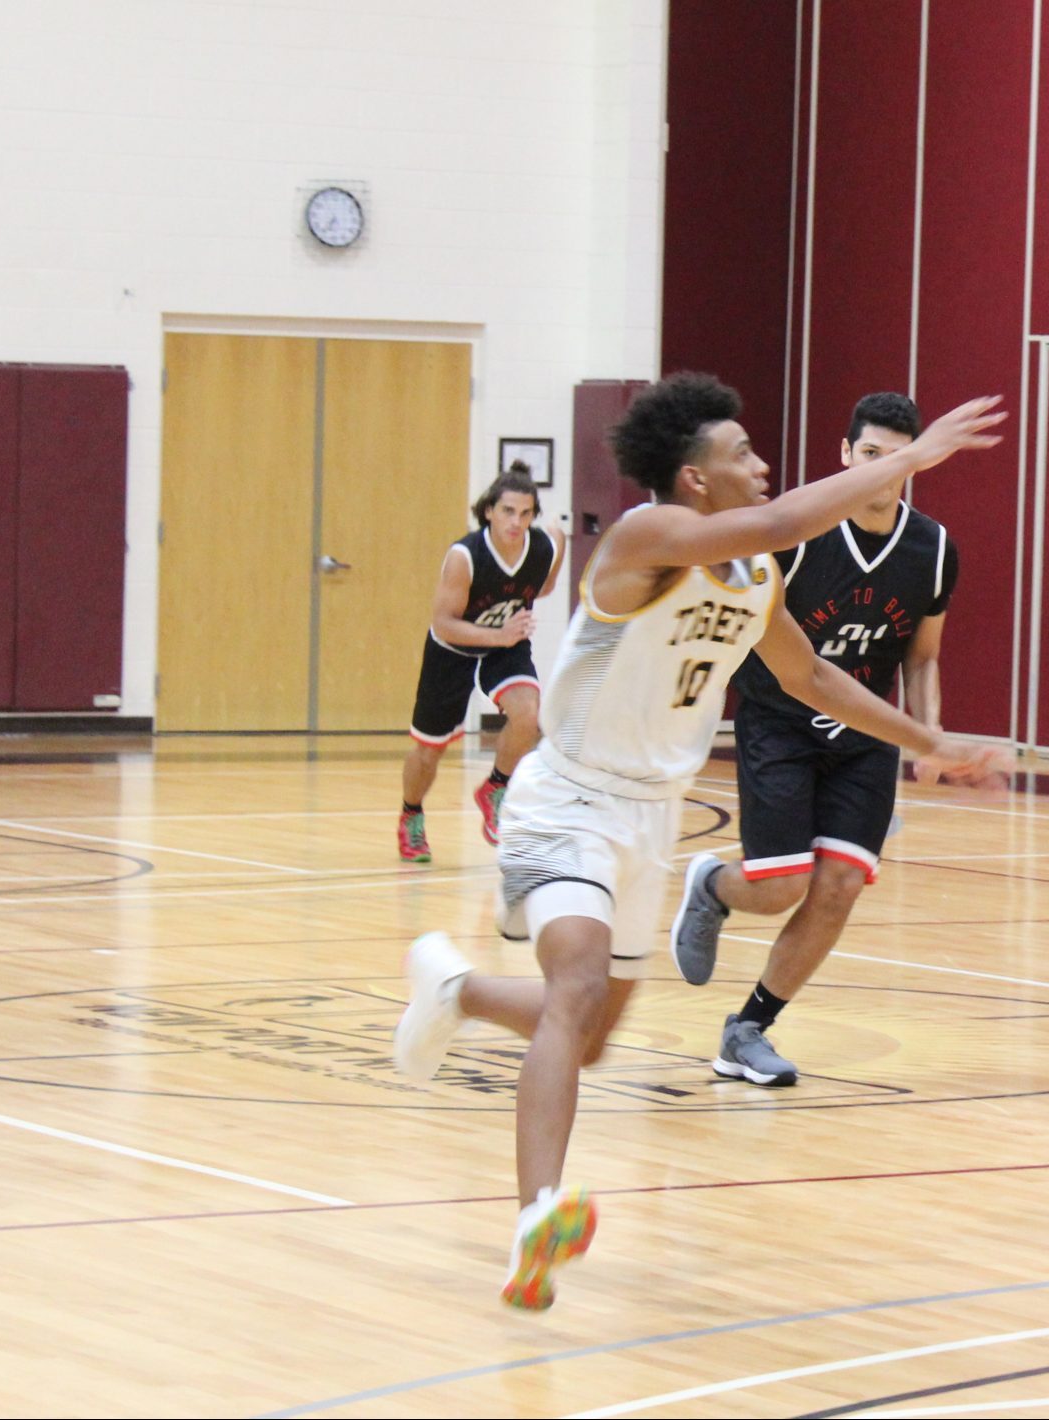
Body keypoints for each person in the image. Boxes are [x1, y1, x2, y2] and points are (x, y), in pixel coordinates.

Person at [388, 373, 1011, 1310]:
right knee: (579, 987)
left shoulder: (756, 579)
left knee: (590, 1036)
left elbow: (811, 680)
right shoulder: (646, 540)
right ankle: (537, 1220)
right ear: (693, 479)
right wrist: (914, 460)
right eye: (743, 455)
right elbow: (775, 525)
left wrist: (932, 744)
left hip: (650, 815)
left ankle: (459, 989)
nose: (763, 466)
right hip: (568, 803)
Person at [667, 391, 958, 1087]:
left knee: (839, 887)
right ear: (845, 455)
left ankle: (749, 1030)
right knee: (780, 886)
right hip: (781, 724)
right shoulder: (797, 536)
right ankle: (713, 885)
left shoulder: (934, 548)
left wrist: (930, 731)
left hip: (864, 733)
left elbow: (920, 653)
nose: (882, 471)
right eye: (869, 455)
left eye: (898, 459)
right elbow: (794, 665)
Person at [398, 464, 566, 862]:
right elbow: (444, 623)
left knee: (528, 713)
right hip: (452, 647)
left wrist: (507, 632)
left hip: (505, 643)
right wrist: (501, 633)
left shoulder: (547, 545)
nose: (516, 522)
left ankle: (496, 786)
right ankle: (411, 815)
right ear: (489, 510)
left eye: (525, 514)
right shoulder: (464, 556)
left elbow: (545, 583)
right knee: (429, 750)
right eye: (508, 511)